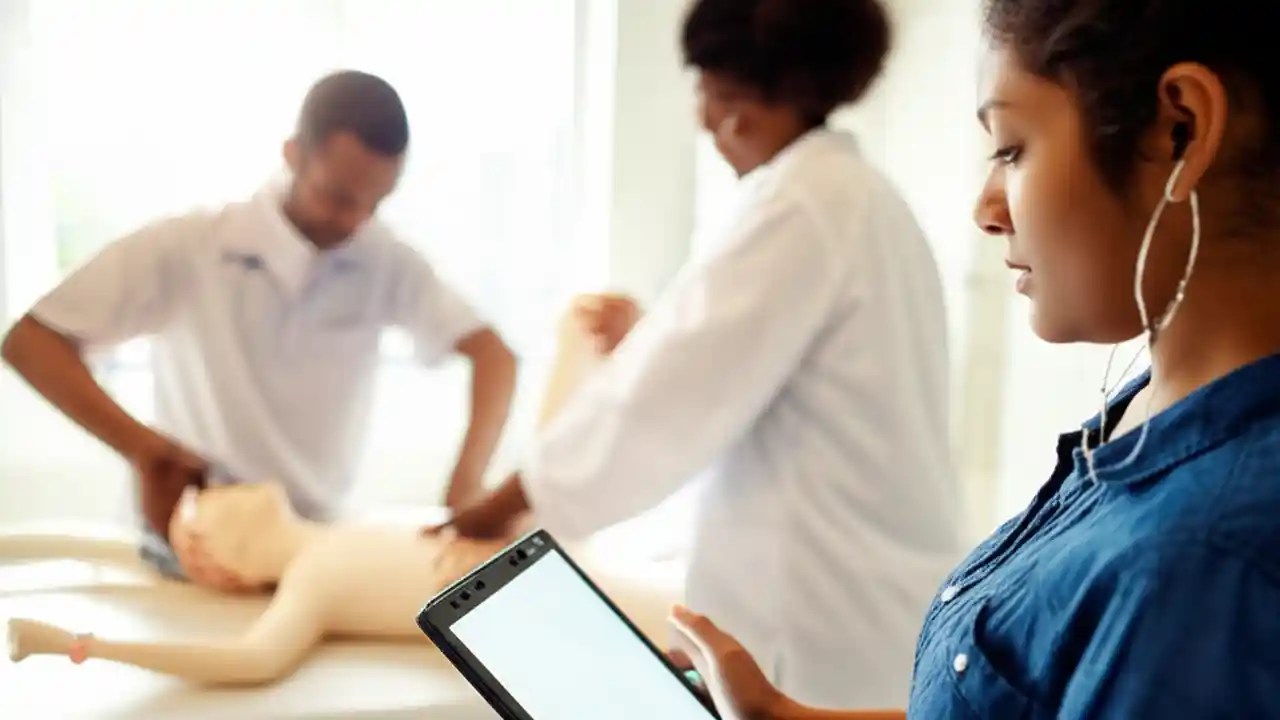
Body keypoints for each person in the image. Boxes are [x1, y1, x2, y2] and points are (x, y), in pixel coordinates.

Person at [662, 0, 1280, 717]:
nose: (986, 208)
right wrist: (786, 716)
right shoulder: (1157, 416)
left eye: (1012, 148)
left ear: (1180, 129)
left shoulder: (1202, 566)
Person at [439, 0, 960, 709]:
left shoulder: (798, 203)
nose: (706, 121)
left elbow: (656, 403)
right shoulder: (862, 197)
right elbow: (772, 373)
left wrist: (499, 503)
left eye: (711, 94)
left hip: (810, 615)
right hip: (875, 600)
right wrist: (653, 334)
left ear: (749, 102)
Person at [0, 70, 518, 590]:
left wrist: (467, 486)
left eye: (374, 202)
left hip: (310, 546)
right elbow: (31, 341)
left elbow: (495, 357)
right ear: (293, 154)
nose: (354, 220)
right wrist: (144, 449)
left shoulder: (384, 259)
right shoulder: (191, 245)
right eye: (337, 197)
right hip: (187, 545)